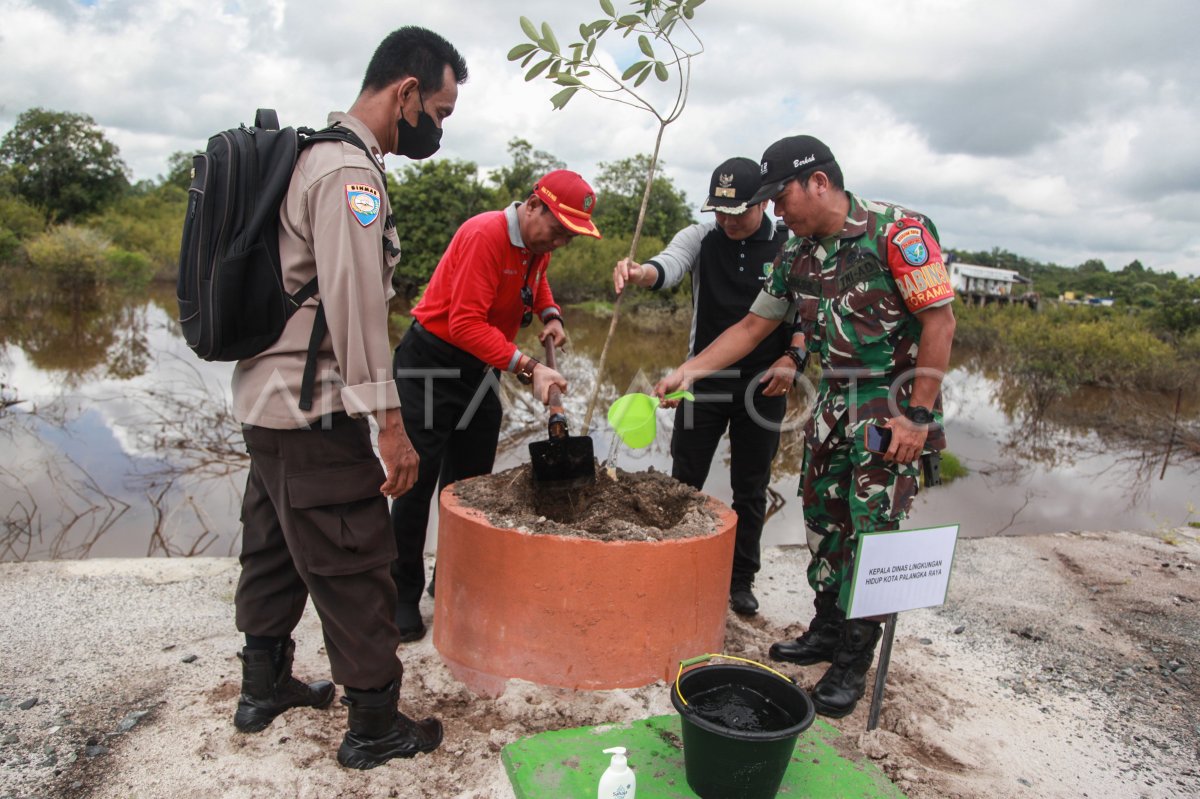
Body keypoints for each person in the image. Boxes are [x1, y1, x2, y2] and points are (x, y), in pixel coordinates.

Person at [228, 27, 467, 769]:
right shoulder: (348, 175)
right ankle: (374, 724)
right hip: (312, 408)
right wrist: (390, 425)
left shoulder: (305, 155)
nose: (438, 127)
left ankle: (262, 686)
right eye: (441, 110)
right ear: (405, 94)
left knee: (272, 543)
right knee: (354, 556)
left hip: (265, 403)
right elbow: (357, 306)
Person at [654, 135, 956, 718]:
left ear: (819, 182)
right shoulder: (797, 253)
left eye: (781, 195)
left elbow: (939, 323)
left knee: (873, 532)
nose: (777, 210)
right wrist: (687, 371)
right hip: (833, 402)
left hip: (890, 406)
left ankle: (851, 662)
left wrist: (918, 415)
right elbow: (751, 326)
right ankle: (825, 627)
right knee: (823, 517)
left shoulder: (899, 233)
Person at [390, 169, 602, 641]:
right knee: (417, 483)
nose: (560, 243)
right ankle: (400, 595)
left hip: (480, 370)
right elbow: (465, 324)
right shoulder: (485, 234)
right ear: (533, 205)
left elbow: (537, 281)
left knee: (469, 485)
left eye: (570, 237)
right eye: (558, 230)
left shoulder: (535, 246)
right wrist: (530, 367)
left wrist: (551, 314)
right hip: (433, 363)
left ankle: (449, 579)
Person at [612, 156, 801, 616]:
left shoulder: (788, 244)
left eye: (737, 211)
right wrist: (641, 273)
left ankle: (740, 579)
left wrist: (793, 357)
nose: (727, 221)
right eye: (719, 210)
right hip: (703, 380)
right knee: (685, 478)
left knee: (751, 487)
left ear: (761, 203)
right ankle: (675, 561)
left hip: (764, 386)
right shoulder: (700, 238)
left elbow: (805, 314)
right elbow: (669, 266)